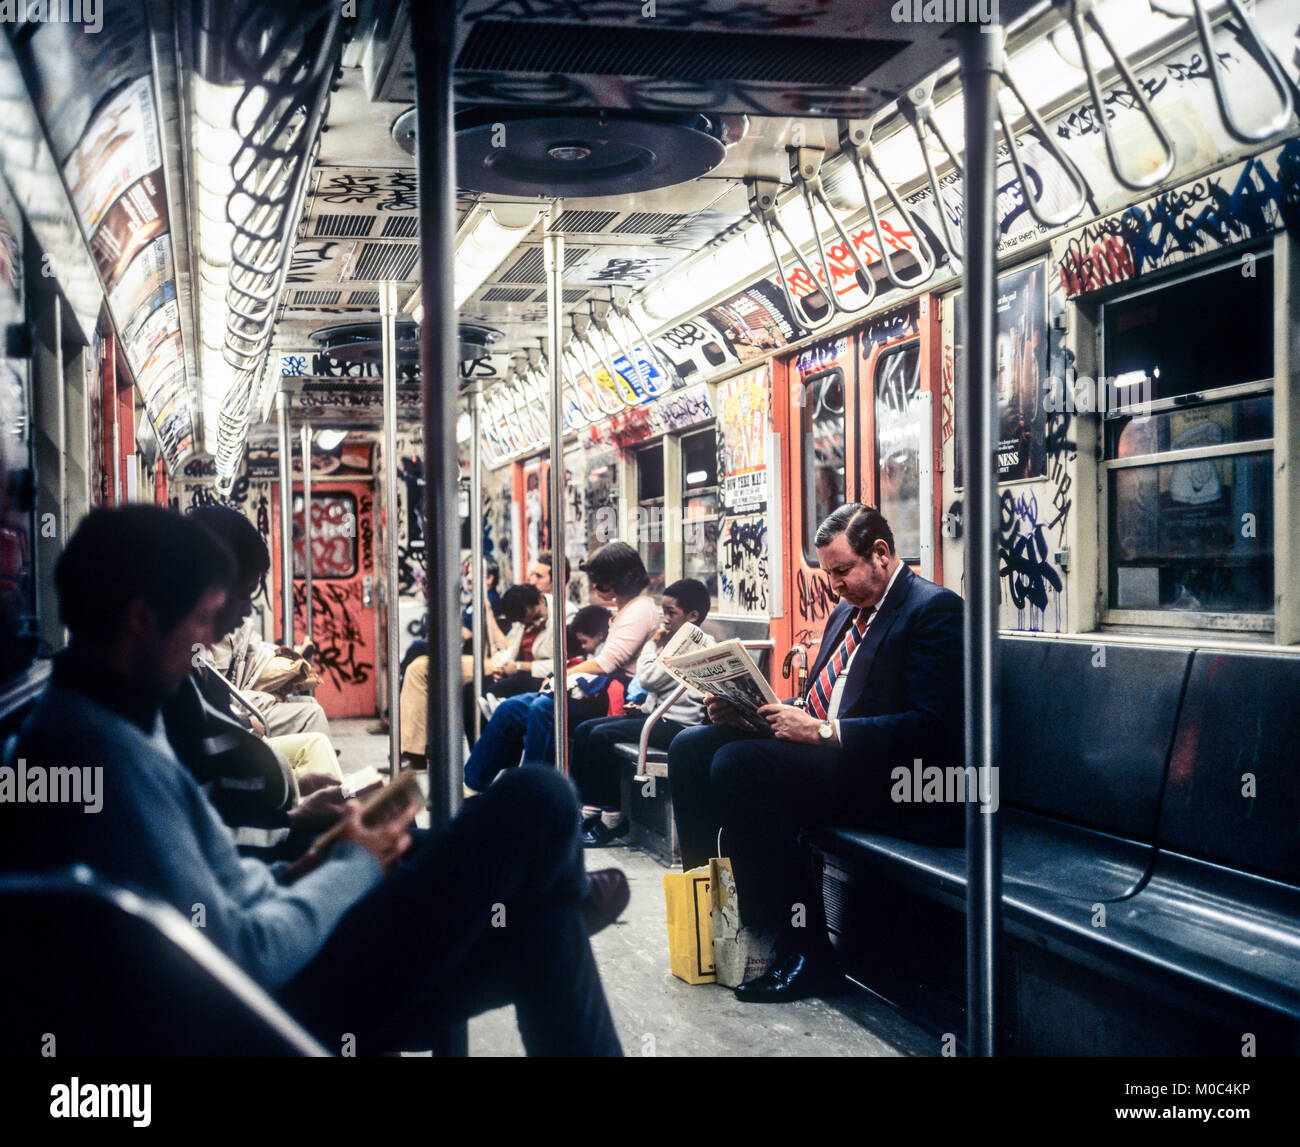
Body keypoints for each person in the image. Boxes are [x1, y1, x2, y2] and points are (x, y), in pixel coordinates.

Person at [2, 506, 625, 1056]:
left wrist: (302, 865)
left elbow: (220, 893)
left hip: (286, 938)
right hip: (274, 1006)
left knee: (545, 930)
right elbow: (241, 955)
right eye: (197, 620)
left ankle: (558, 896)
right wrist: (352, 864)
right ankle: (562, 887)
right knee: (539, 799)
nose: (205, 640)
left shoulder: (108, 718)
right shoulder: (103, 760)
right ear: (141, 620)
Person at [667, 504, 963, 1002]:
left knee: (740, 766)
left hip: (901, 782)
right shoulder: (847, 611)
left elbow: (931, 728)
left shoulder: (932, 611)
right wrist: (756, 713)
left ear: (882, 554)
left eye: (842, 570)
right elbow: (828, 698)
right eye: (827, 573)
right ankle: (722, 916)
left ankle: (806, 951)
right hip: (837, 761)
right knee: (693, 747)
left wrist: (824, 733)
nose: (833, 584)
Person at [162, 505, 344, 861]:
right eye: (241, 595)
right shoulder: (155, 705)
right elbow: (215, 847)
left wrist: (294, 802)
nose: (245, 611)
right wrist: (295, 824)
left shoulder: (177, 685)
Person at [463, 541, 659, 795]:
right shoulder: (626, 609)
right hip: (597, 688)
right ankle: (472, 788)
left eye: (600, 580)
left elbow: (606, 663)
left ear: (616, 580)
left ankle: (533, 796)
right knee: (511, 709)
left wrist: (560, 677)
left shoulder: (640, 609)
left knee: (543, 709)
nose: (595, 586)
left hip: (619, 696)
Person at [572, 578, 713, 847]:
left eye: (672, 613)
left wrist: (651, 642)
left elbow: (648, 678)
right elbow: (663, 690)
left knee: (602, 735)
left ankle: (611, 820)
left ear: (693, 616)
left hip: (677, 727)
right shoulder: (681, 639)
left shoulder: (690, 643)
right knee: (585, 729)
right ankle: (588, 810)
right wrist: (644, 708)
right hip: (661, 717)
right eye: (664, 612)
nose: (666, 619)